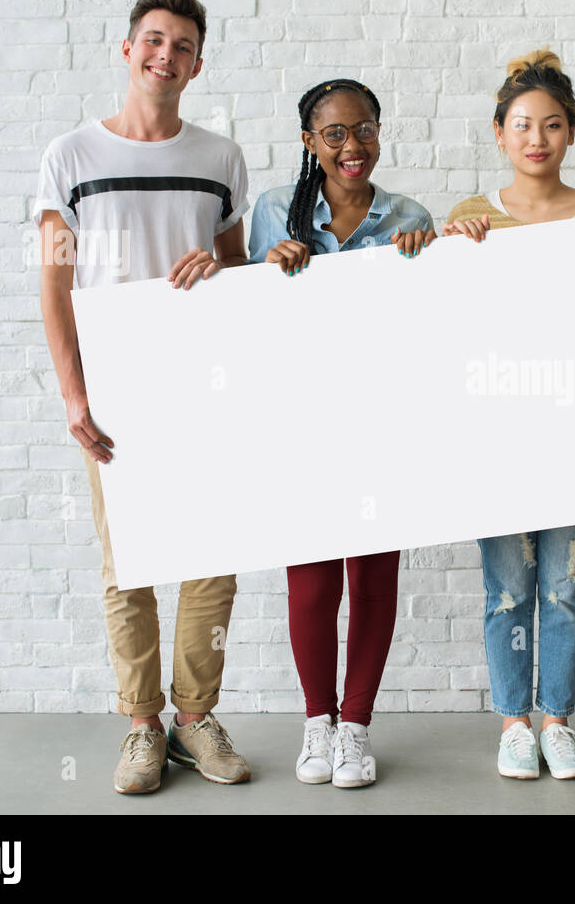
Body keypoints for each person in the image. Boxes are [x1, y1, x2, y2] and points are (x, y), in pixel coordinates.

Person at [35, 0, 252, 794]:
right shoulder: (71, 157)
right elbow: (55, 286)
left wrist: (220, 267)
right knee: (128, 565)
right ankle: (141, 726)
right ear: (127, 50)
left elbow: (239, 274)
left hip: (205, 385)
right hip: (116, 388)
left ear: (198, 64)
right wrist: (73, 396)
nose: (167, 55)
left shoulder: (221, 158)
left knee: (212, 563)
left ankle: (195, 717)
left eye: (184, 45)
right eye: (154, 40)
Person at [249, 78, 434, 788]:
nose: (351, 146)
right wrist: (266, 270)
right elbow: (245, 319)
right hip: (302, 423)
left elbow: (435, 325)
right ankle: (316, 721)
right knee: (313, 580)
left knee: (374, 576)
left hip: (383, 423)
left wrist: (429, 256)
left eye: (364, 130)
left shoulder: (408, 215)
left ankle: (356, 725)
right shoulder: (273, 212)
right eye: (334, 133)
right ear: (308, 141)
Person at [442, 48, 575, 780]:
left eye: (552, 124)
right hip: (499, 438)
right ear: (499, 132)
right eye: (523, 125)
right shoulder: (469, 218)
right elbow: (445, 329)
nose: (537, 138)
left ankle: (557, 722)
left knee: (566, 588)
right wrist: (452, 256)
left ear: (572, 132)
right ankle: (514, 721)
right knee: (508, 590)